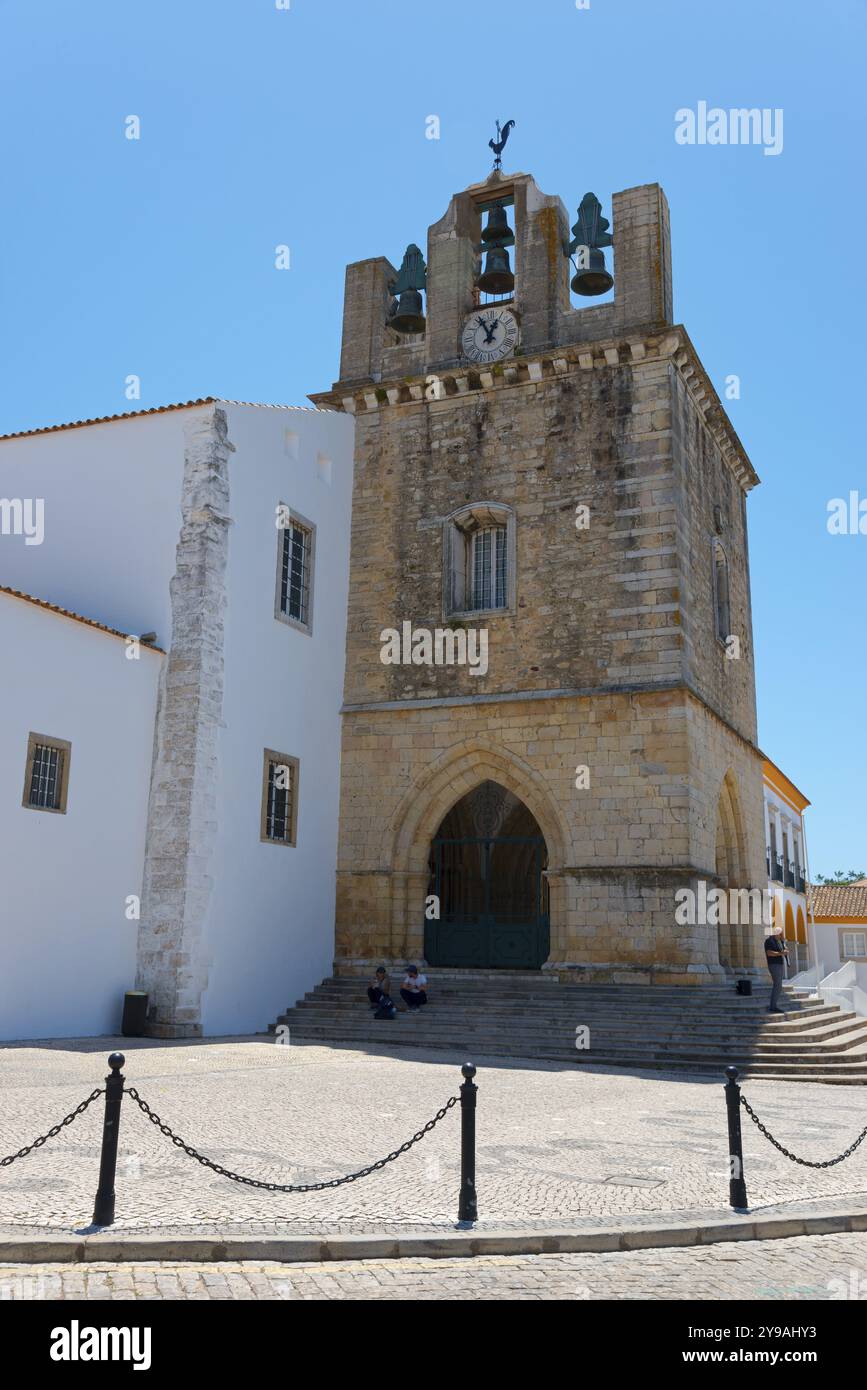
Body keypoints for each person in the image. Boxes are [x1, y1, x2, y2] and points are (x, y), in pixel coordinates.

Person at [764, 926, 789, 1013]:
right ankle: (773, 1006)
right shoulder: (769, 941)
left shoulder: (779, 942)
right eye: (781, 934)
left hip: (779, 964)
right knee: (777, 985)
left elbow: (783, 950)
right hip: (773, 965)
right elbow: (769, 953)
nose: (782, 935)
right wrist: (781, 953)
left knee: (778, 985)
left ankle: (774, 1005)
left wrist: (784, 948)